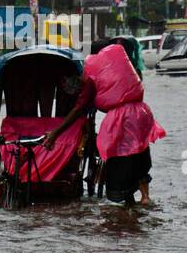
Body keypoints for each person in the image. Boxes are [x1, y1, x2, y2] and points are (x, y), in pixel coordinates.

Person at [43, 43, 164, 206]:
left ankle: (128, 201)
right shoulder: (117, 63)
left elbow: (79, 107)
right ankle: (145, 197)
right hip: (141, 112)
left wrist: (55, 134)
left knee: (121, 158)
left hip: (122, 119)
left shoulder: (93, 71)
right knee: (138, 153)